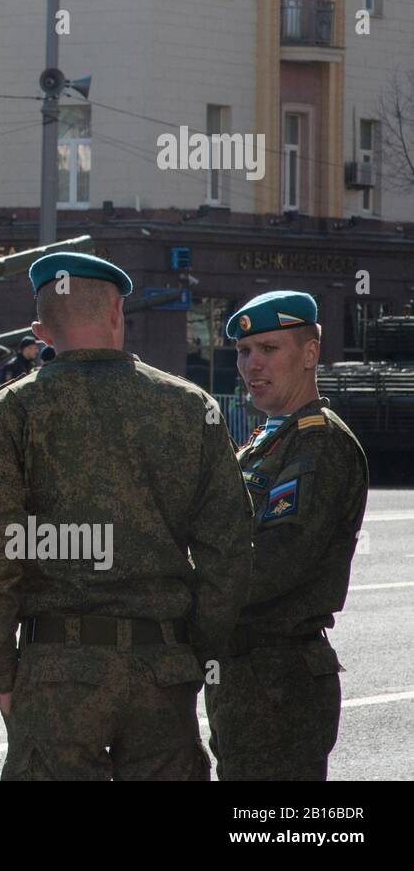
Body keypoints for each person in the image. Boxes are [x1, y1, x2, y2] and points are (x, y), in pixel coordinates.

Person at [0, 252, 253, 781]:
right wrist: (194, 652)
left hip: (55, 671)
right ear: (117, 311)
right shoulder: (190, 406)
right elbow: (227, 548)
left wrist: (1, 669)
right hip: (163, 667)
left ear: (41, 330)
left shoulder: (14, 410)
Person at [206, 291, 369, 781]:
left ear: (310, 354)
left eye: (269, 350)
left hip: (279, 682)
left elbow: (277, 564)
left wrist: (183, 590)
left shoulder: (318, 444)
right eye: (243, 352)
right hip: (247, 676)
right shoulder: (269, 440)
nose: (252, 365)